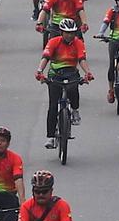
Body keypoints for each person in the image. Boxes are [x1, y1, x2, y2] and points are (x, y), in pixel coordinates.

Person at [36, 18, 94, 149]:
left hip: (71, 72)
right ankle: (51, 137)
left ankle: (75, 110)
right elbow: (45, 57)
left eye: (72, 33)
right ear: (61, 32)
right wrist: (40, 71)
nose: (70, 35)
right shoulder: (53, 42)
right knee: (52, 106)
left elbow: (82, 59)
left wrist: (88, 73)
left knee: (73, 89)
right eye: (67, 33)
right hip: (55, 74)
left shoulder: (78, 43)